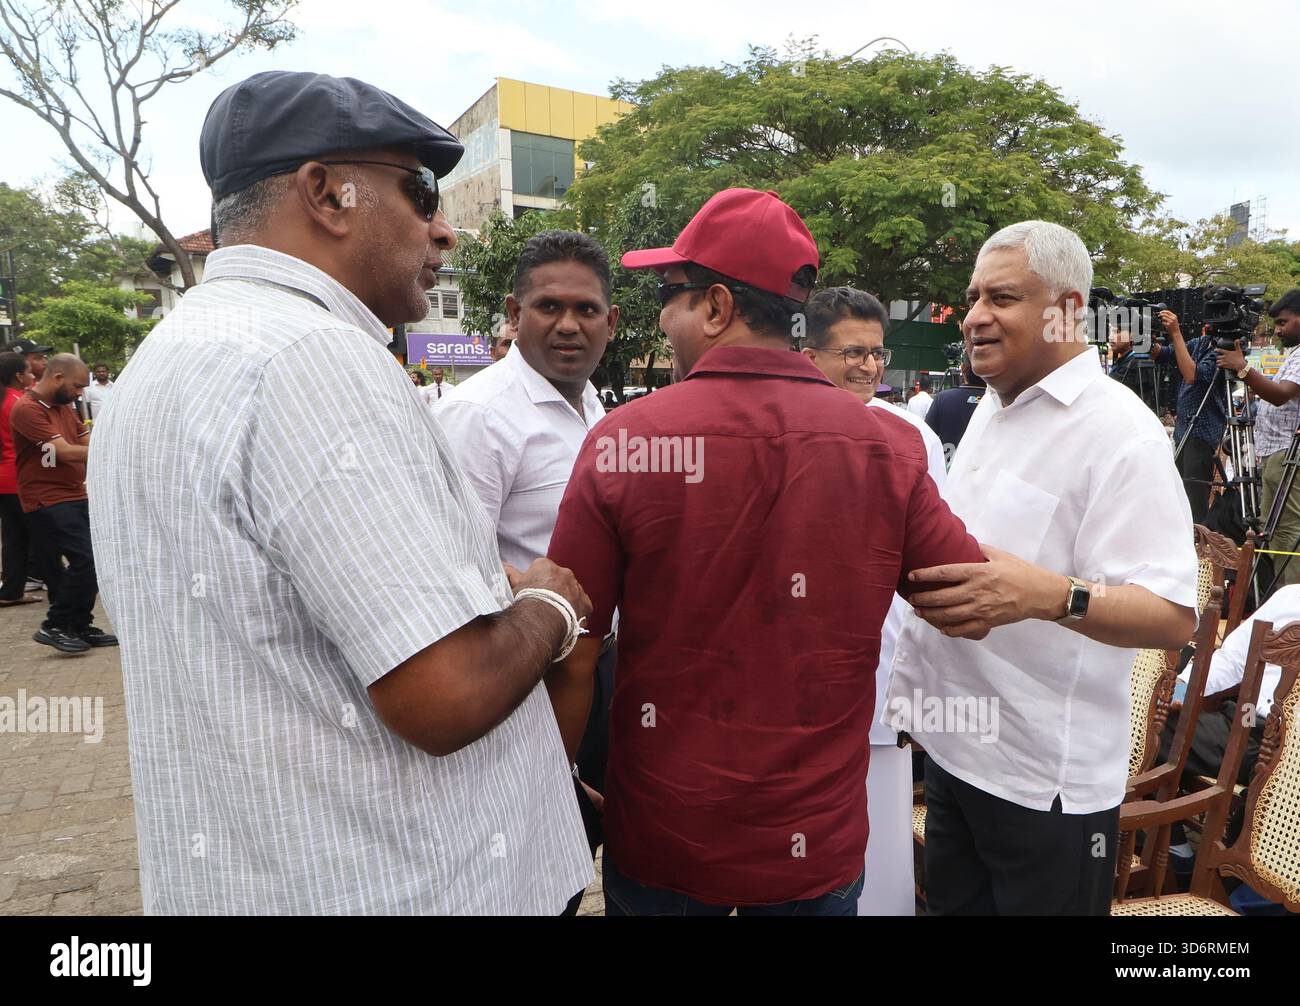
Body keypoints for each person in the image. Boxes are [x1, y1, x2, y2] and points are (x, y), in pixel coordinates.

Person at [86, 70, 593, 915]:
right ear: (327, 192)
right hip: (404, 881)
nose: (443, 232)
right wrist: (548, 607)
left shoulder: (169, 357)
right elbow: (443, 694)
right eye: (419, 191)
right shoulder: (311, 357)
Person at [547, 187, 989, 916]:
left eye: (671, 294)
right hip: (814, 844)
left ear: (717, 307)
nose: (662, 315)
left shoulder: (625, 441)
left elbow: (576, 646)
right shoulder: (886, 447)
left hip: (666, 838)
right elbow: (965, 597)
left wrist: (557, 779)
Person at [887, 220, 1198, 916]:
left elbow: (1175, 617)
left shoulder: (1120, 434)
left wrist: (1055, 596)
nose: (973, 317)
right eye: (972, 297)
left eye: (1001, 297)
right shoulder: (992, 411)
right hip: (955, 752)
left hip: (1041, 786)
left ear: (1067, 309)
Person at [436, 230, 618, 900]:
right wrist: (537, 595)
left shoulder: (597, 407)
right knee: (533, 877)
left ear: (611, 321)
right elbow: (452, 563)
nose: (568, 325)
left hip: (605, 673)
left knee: (591, 850)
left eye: (586, 309)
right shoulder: (479, 415)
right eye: (547, 307)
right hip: (528, 676)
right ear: (514, 314)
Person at [801, 285, 946, 916]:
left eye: (876, 354)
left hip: (883, 659)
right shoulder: (781, 430)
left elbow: (935, 557)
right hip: (794, 672)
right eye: (851, 353)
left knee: (879, 837)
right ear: (807, 356)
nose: (867, 367)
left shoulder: (912, 436)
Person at [10, 354, 116, 652]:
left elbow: (83, 443)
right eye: (78, 386)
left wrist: (104, 447)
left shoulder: (63, 407)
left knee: (96, 561)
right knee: (86, 560)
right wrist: (115, 451)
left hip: (74, 493)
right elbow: (65, 452)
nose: (81, 392)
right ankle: (55, 624)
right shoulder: (28, 410)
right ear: (57, 377)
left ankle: (79, 624)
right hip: (46, 497)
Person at [1214, 289, 1300, 585]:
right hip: (1277, 454)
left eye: (1283, 322)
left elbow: (1281, 396)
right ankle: (1277, 598)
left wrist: (1243, 368)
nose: (1277, 330)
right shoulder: (1293, 355)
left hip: (1288, 455)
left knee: (1287, 532)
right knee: (1273, 531)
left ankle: (1289, 610)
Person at [1164, 310, 1225, 523]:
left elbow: (1192, 375)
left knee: (1193, 496)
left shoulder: (1224, 348)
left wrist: (1176, 332)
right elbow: (1163, 354)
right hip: (1183, 431)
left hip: (1202, 431)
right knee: (1176, 490)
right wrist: (1143, 334)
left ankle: (1197, 542)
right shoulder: (1201, 342)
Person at [0, 352, 41, 607]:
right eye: (28, 372)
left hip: (6, 477)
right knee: (39, 535)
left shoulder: (5, 399)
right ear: (18, 376)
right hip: (19, 477)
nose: (32, 376)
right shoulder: (18, 402)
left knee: (14, 537)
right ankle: (59, 584)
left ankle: (12, 590)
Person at [924, 354, 987, 467]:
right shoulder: (998, 401)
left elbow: (926, 436)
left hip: (947, 469)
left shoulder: (943, 398)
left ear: (962, 369)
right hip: (987, 473)